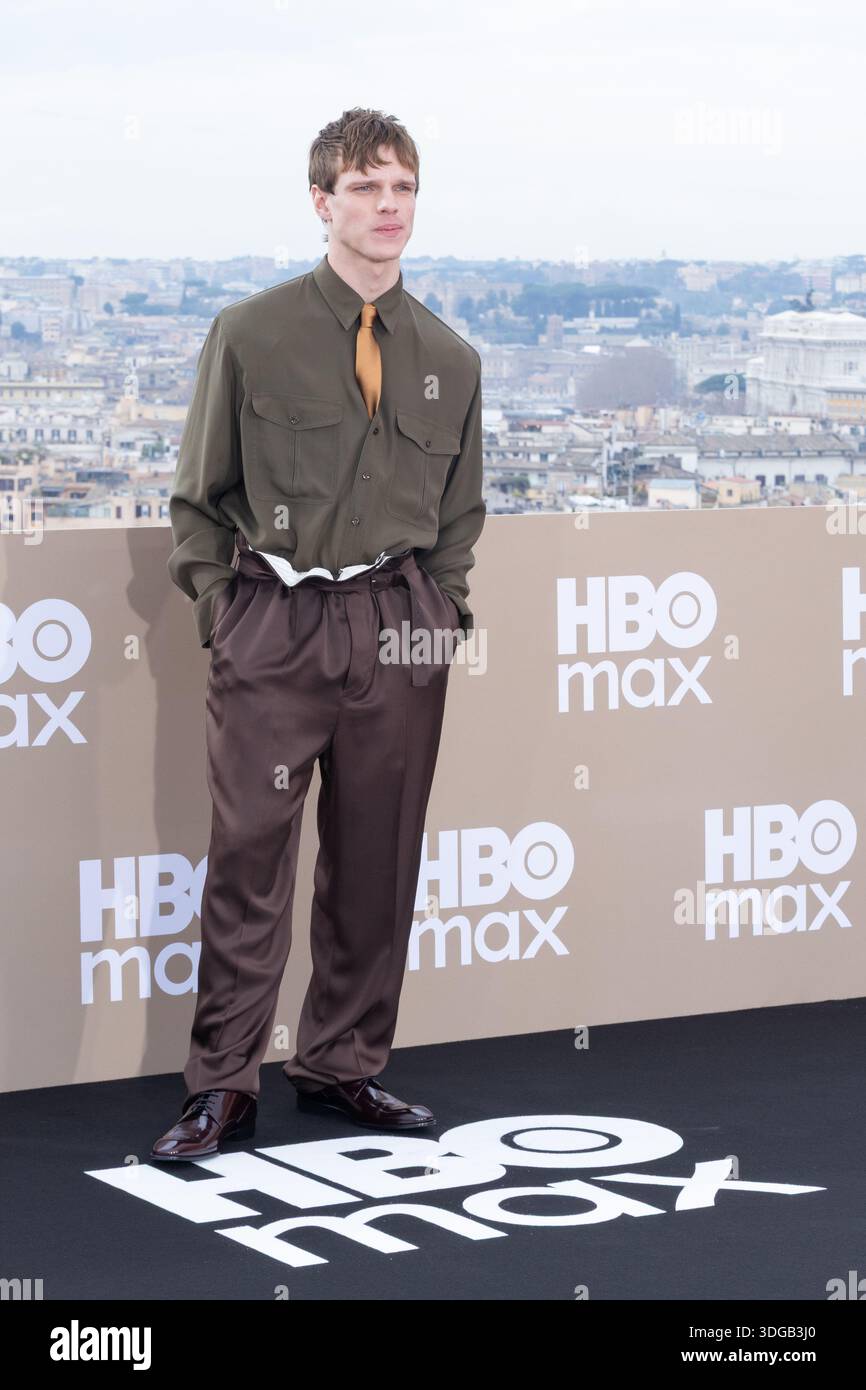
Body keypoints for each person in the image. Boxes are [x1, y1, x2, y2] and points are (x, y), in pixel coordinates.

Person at [150, 107, 486, 1161]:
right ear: (321, 202)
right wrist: (226, 615)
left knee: (377, 861)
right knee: (247, 860)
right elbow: (198, 496)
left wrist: (439, 620)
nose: (388, 208)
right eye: (366, 188)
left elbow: (459, 518)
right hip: (276, 624)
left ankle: (343, 1064)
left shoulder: (449, 355)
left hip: (401, 628)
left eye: (402, 189)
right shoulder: (249, 334)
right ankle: (222, 1087)